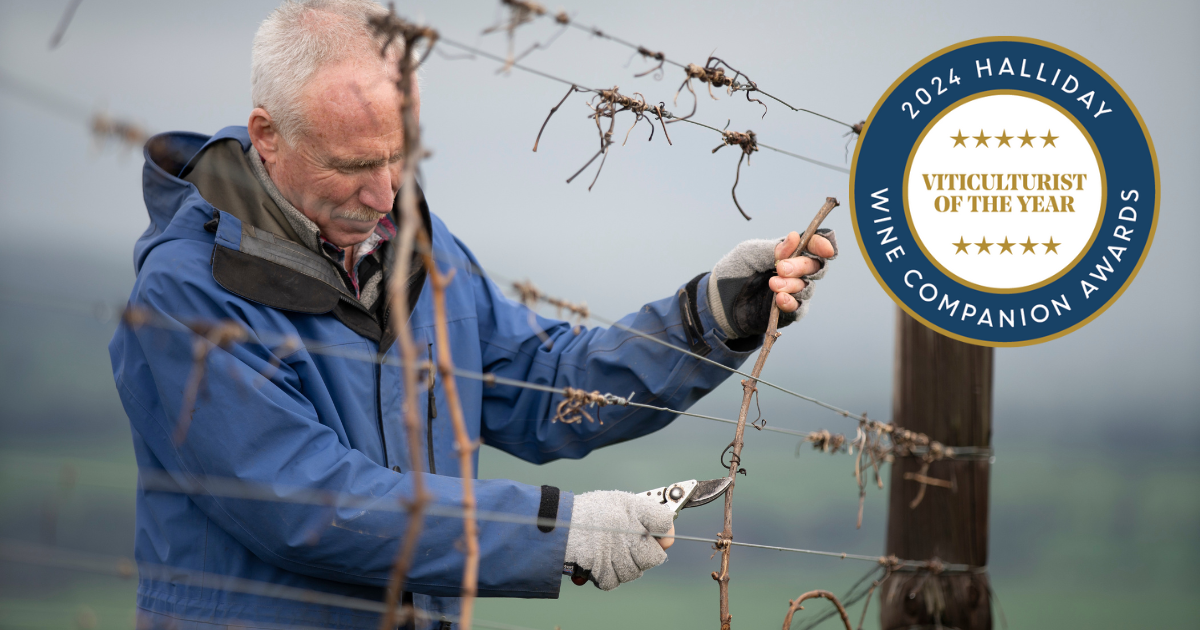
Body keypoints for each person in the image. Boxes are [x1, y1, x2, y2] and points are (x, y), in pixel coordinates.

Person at [108, 1, 837, 628]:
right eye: (355, 166)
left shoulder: (411, 244)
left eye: (399, 158)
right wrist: (559, 531)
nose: (385, 195)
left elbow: (541, 385)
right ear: (268, 137)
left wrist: (707, 319)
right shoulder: (187, 293)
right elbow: (307, 503)